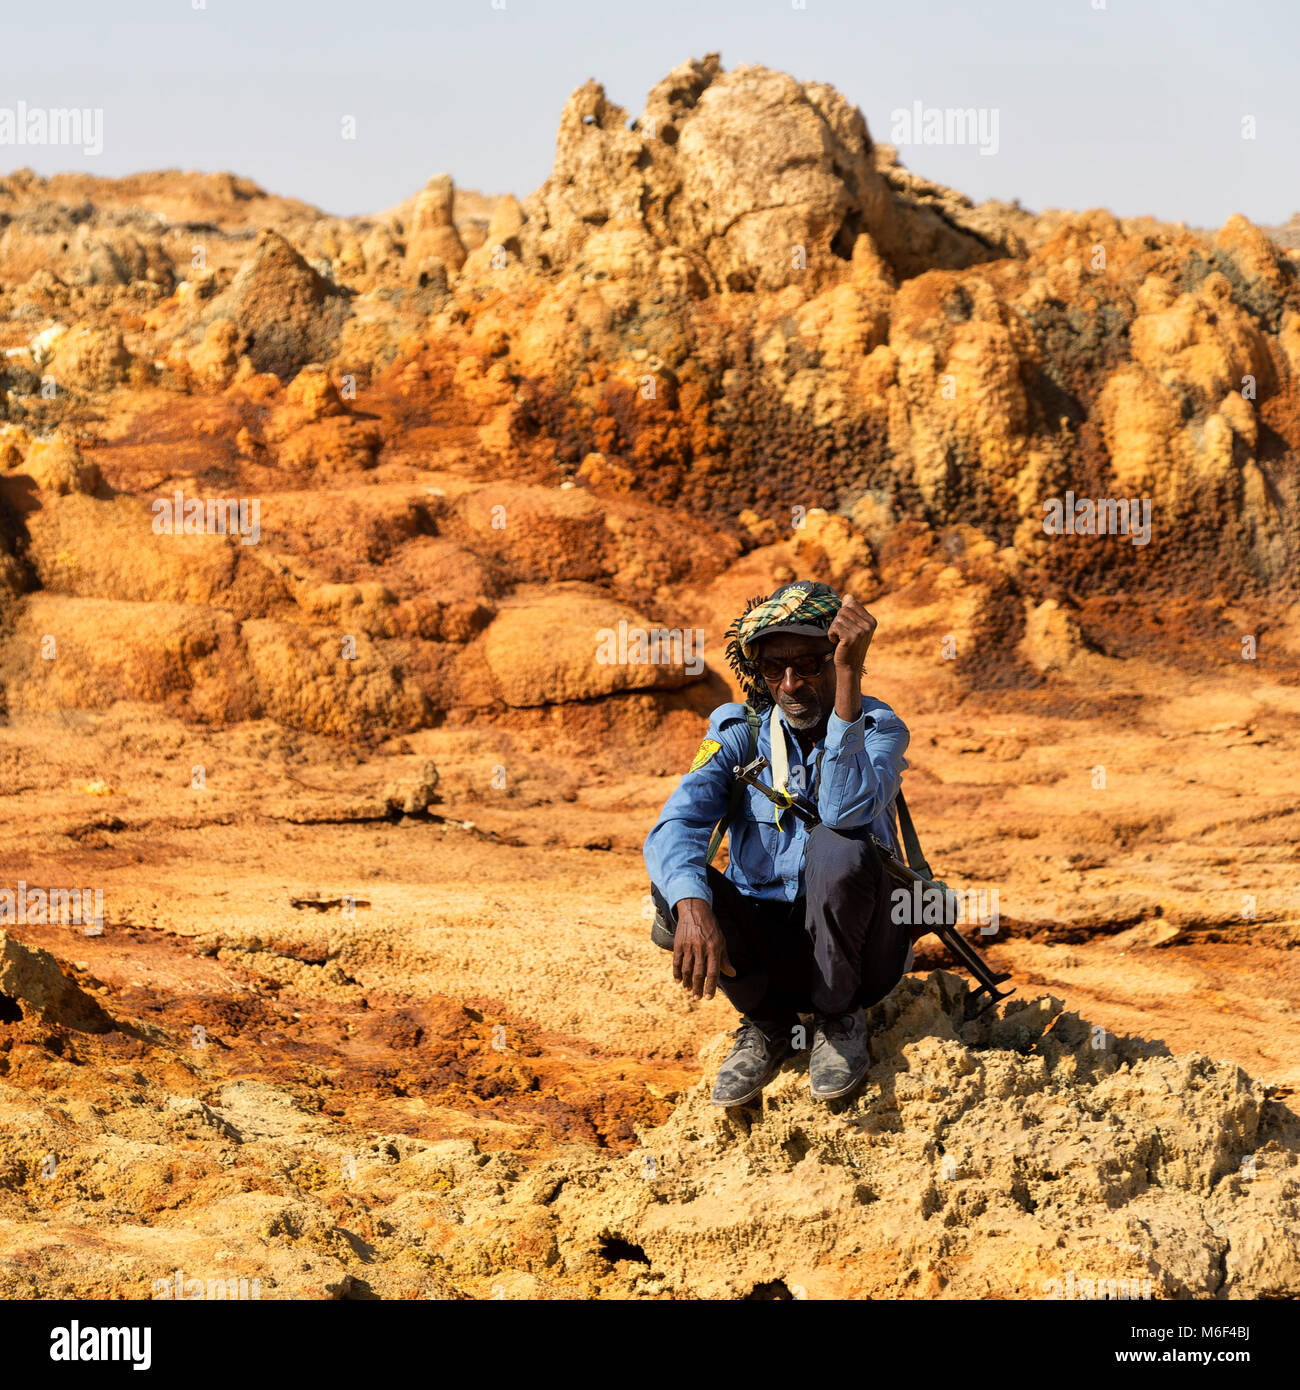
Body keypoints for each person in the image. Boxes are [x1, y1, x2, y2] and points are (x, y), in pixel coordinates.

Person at [643, 580, 913, 1105]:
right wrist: (692, 906)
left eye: (810, 665)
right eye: (773, 669)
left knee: (842, 848)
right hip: (771, 954)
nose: (789, 684)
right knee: (674, 886)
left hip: (860, 956)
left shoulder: (878, 726)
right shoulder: (739, 732)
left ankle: (840, 1022)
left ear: (839, 661)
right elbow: (675, 827)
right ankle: (767, 1026)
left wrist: (848, 683)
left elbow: (845, 813)